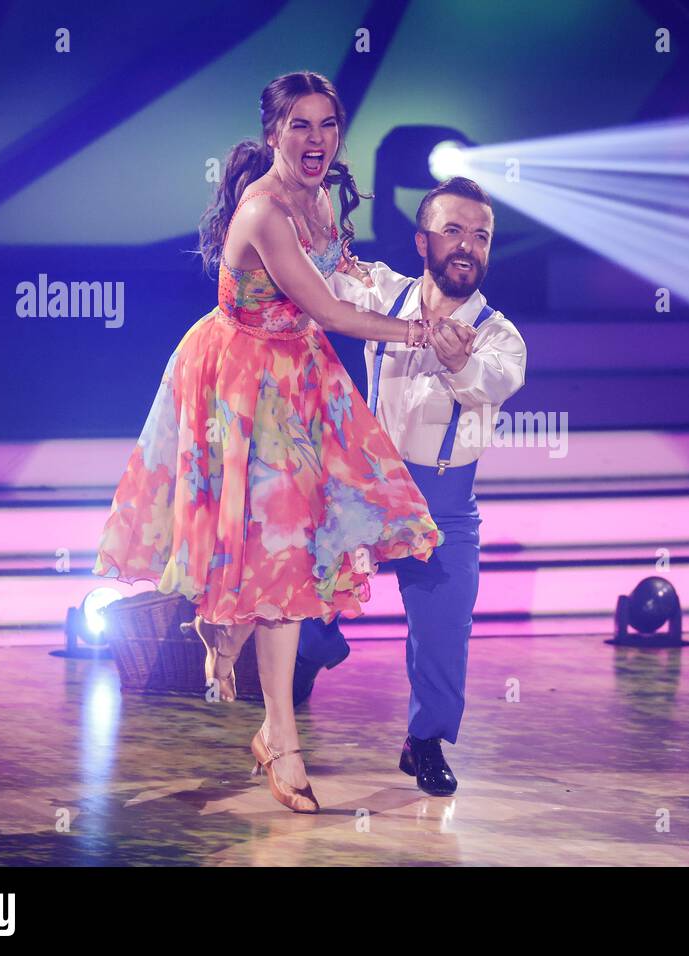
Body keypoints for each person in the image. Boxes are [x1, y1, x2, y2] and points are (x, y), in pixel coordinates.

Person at [92, 72, 468, 814]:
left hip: (299, 376)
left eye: (328, 124)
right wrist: (422, 332)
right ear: (273, 133)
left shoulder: (322, 196)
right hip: (240, 384)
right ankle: (280, 737)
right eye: (300, 124)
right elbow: (328, 308)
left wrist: (396, 290)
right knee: (277, 561)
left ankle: (241, 668)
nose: (317, 139)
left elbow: (341, 274)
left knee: (293, 560)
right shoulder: (264, 211)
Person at [333, 177, 527, 795]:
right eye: (453, 230)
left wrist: (457, 361)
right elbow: (319, 281)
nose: (467, 245)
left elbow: (487, 384)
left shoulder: (501, 336)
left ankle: (425, 742)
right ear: (422, 241)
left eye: (481, 235)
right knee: (304, 607)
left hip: (444, 499)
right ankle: (295, 684)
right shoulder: (383, 292)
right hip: (367, 487)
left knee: (444, 631)